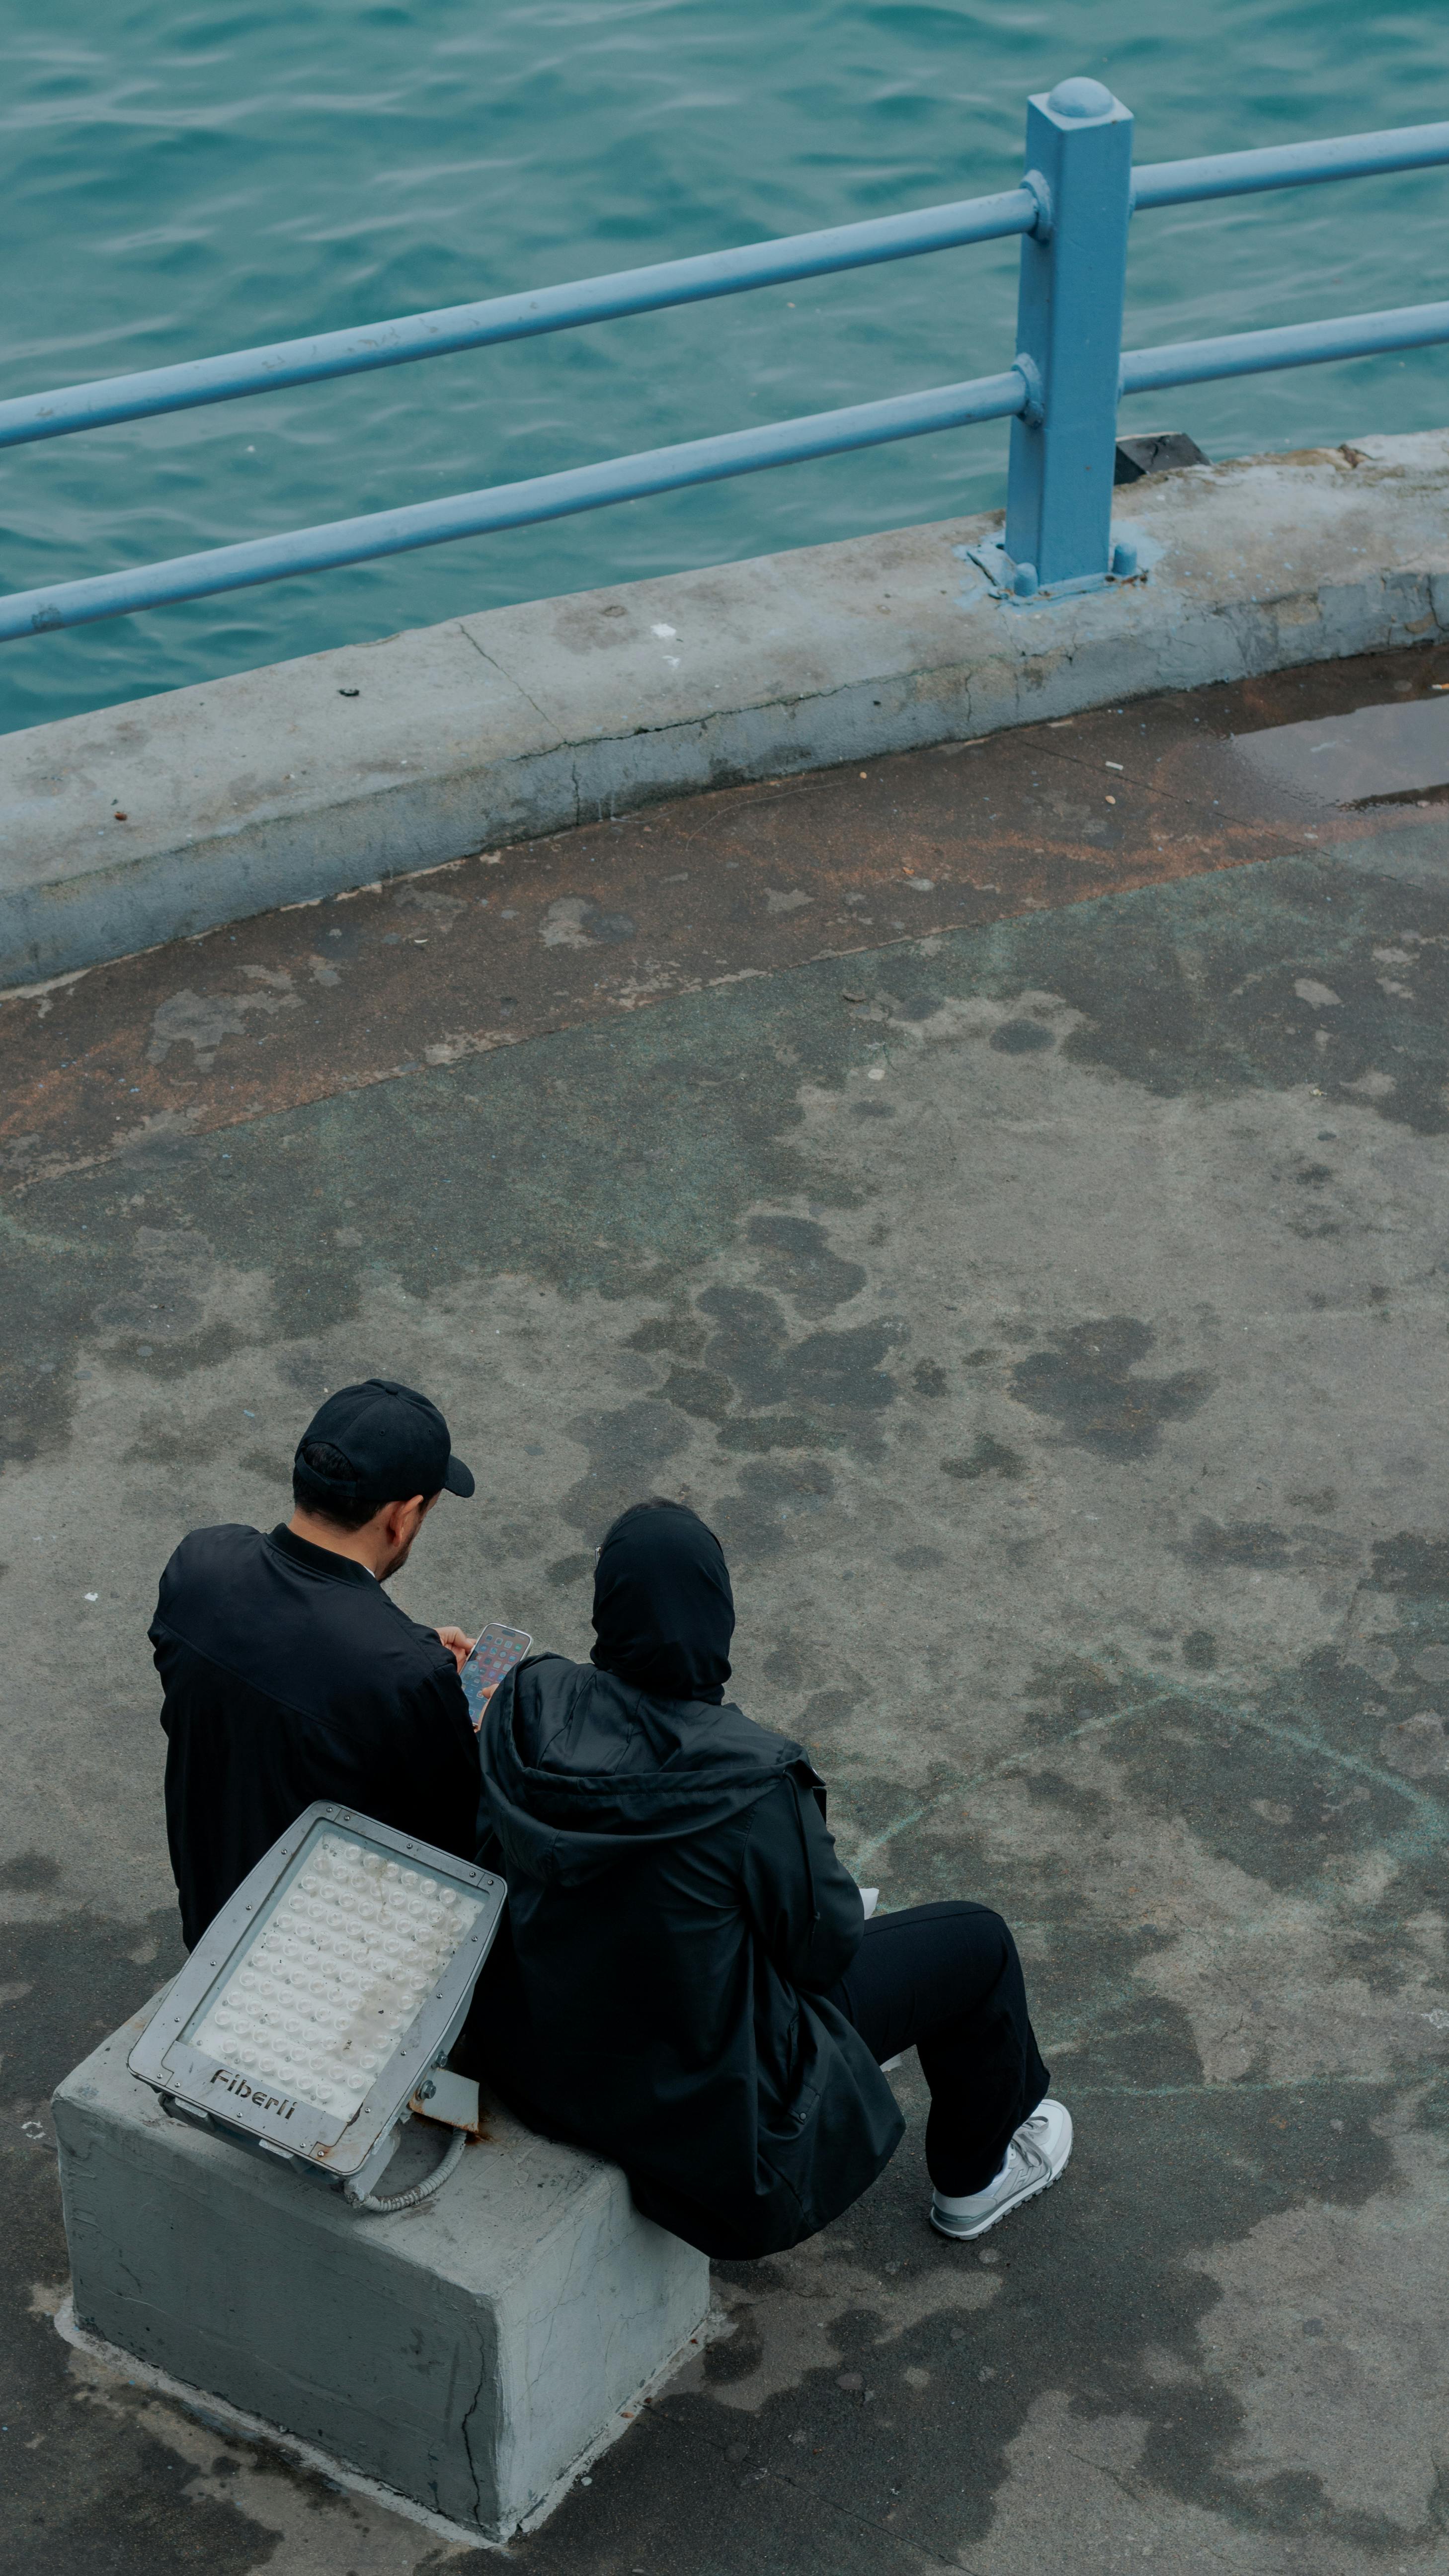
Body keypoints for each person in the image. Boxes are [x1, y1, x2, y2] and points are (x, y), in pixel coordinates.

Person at [470, 1496, 1070, 2258]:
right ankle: (975, 2182)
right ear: (718, 1616)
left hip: (548, 2062)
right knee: (978, 1945)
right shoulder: (750, 1779)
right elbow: (825, 1954)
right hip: (714, 2109)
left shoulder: (523, 1701)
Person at [152, 1377, 481, 1949]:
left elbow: (285, 1659)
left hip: (211, 1910)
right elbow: (456, 1825)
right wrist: (467, 1711)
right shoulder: (405, 1674)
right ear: (401, 1517)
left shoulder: (200, 1565)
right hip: (323, 1949)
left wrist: (407, 1648)